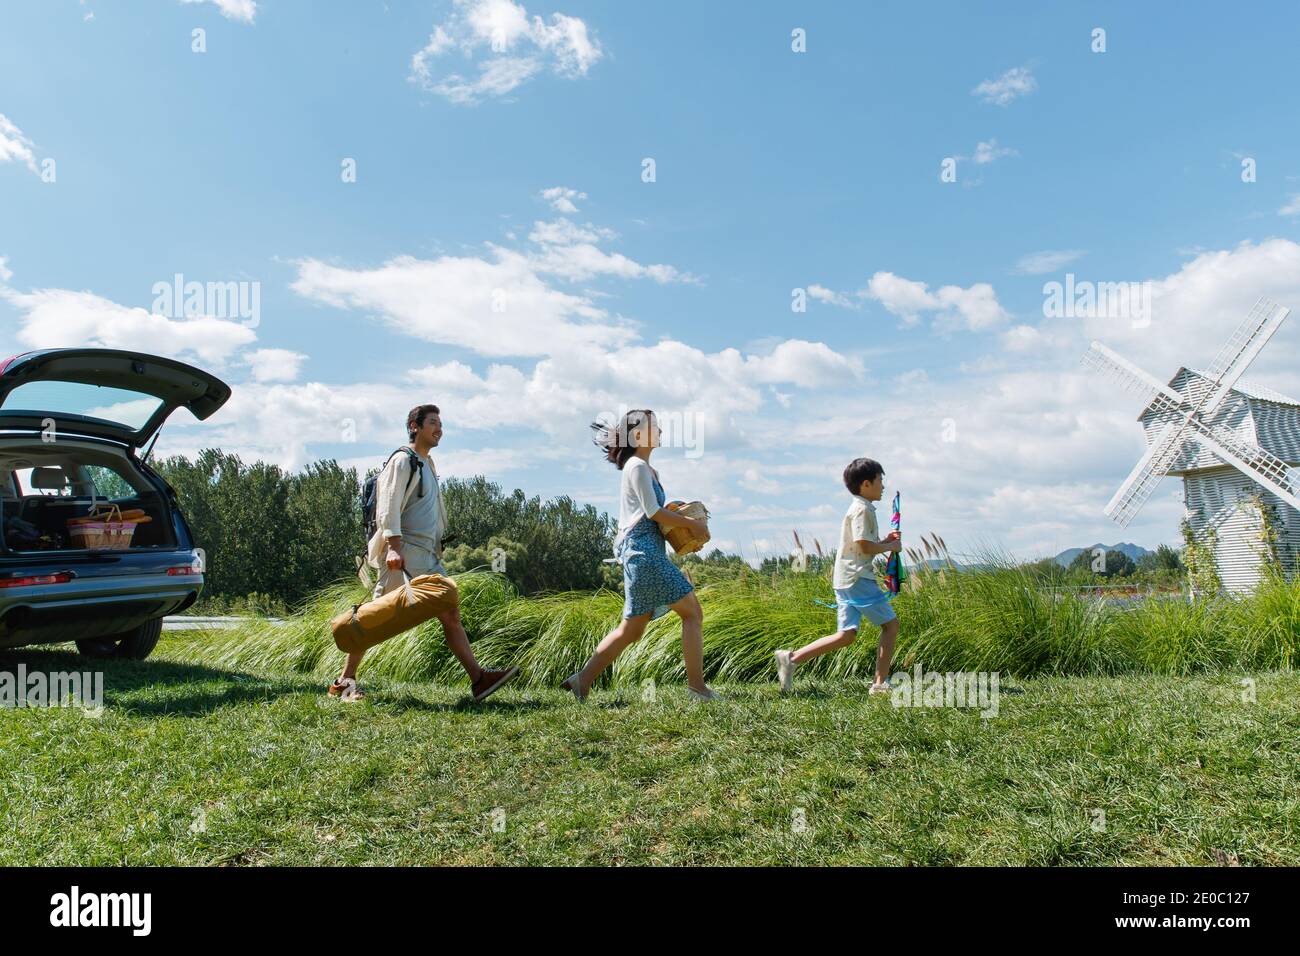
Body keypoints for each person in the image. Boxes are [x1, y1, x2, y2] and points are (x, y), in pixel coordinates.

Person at [328, 403, 519, 702]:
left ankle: (479, 679)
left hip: (427, 555)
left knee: (450, 612)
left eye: (440, 423)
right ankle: (345, 682)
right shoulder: (403, 460)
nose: (439, 428)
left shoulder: (427, 465)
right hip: (404, 554)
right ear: (414, 427)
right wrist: (393, 547)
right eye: (432, 422)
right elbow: (387, 505)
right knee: (371, 619)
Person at [561, 409, 721, 703]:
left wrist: (677, 516)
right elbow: (651, 512)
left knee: (631, 630)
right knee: (692, 612)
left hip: (641, 552)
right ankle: (698, 689)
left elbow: (653, 515)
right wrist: (693, 524)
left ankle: (582, 681)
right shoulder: (637, 466)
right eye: (654, 427)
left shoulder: (646, 470)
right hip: (643, 553)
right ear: (637, 436)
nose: (660, 431)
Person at [774, 457, 901, 695]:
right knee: (891, 626)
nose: (883, 486)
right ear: (866, 484)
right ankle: (880, 683)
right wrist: (890, 548)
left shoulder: (859, 508)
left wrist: (884, 542)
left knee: (846, 635)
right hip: (858, 578)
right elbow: (863, 546)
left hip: (845, 578)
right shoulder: (863, 510)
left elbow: (862, 544)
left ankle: (791, 659)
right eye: (879, 480)